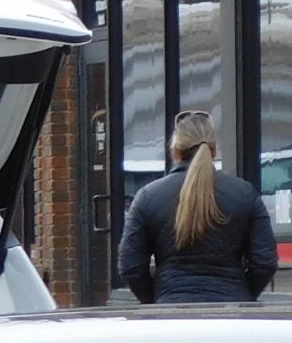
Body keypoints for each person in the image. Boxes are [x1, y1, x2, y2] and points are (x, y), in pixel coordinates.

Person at [116, 110, 280, 305]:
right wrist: (242, 294)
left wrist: (157, 298)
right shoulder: (245, 194)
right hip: (233, 310)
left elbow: (130, 267)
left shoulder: (147, 197)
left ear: (175, 151)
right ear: (214, 149)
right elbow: (265, 263)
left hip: (170, 308)